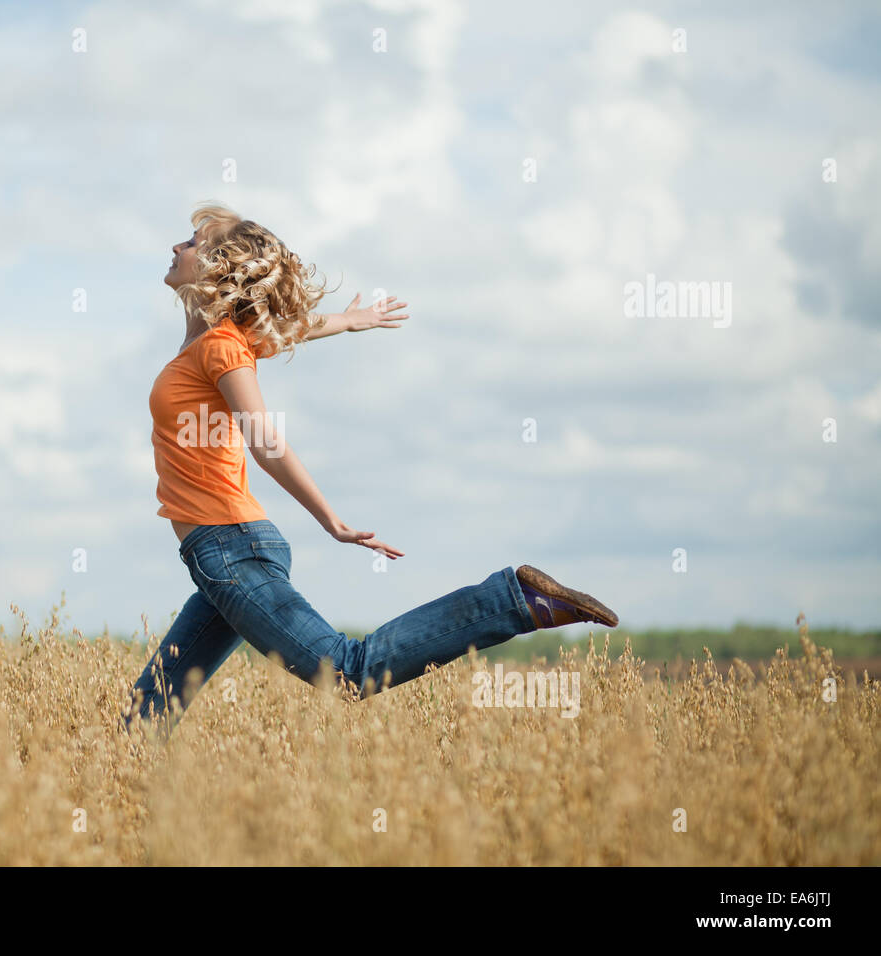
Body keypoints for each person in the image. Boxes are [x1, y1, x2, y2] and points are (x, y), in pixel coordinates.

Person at [122, 202, 617, 738]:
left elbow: (265, 440)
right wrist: (352, 320)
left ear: (219, 270)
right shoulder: (215, 341)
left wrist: (329, 519)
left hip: (230, 548)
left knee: (348, 670)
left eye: (192, 242)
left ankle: (513, 600)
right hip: (217, 552)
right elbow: (290, 329)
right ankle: (133, 798)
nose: (177, 247)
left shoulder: (222, 348)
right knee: (152, 707)